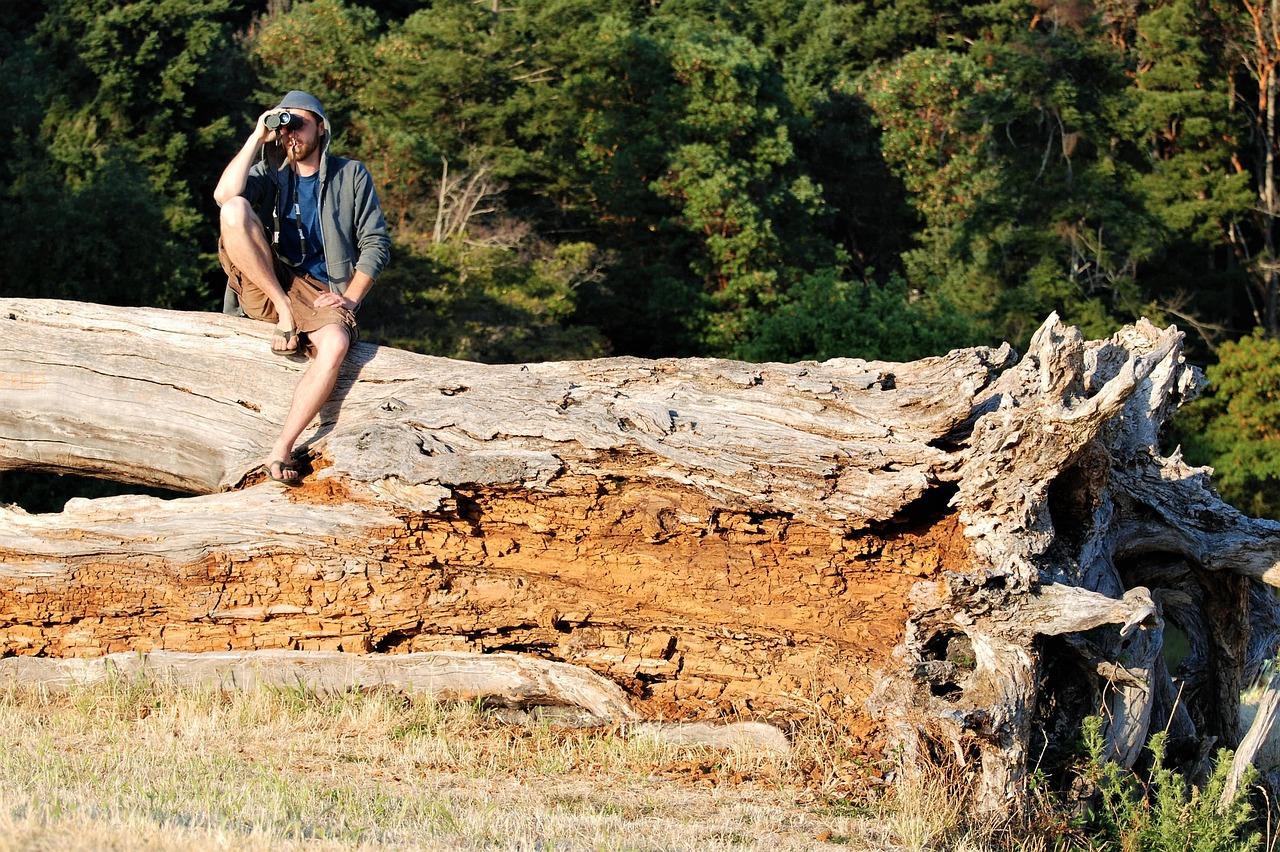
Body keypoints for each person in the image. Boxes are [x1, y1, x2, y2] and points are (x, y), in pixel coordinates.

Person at [213, 90, 390, 485]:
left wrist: (349, 298)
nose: (291, 133)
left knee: (336, 345)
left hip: (321, 291)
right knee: (235, 209)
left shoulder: (350, 175)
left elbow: (376, 244)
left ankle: (281, 448)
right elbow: (224, 196)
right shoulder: (269, 173)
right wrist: (256, 138)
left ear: (321, 127)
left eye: (300, 123)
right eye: (284, 124)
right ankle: (285, 315)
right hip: (271, 281)